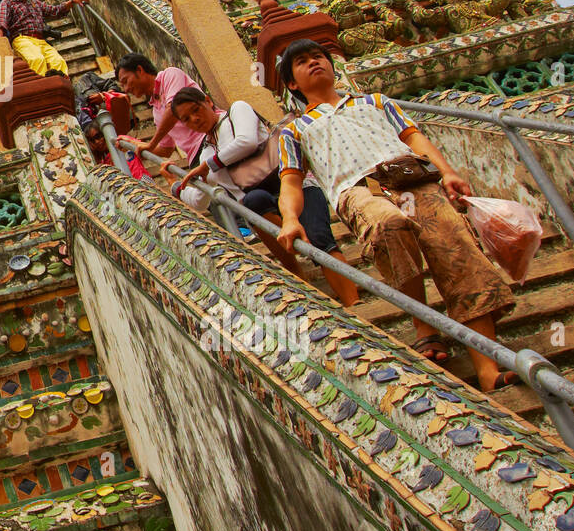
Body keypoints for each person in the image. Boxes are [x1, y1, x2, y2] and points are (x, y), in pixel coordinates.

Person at [273, 39, 517, 390]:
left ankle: (487, 368)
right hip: (356, 188)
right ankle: (424, 325)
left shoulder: (376, 102)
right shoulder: (293, 130)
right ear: (292, 83)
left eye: (318, 57)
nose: (313, 62)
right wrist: (291, 219)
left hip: (411, 176)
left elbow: (414, 138)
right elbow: (292, 182)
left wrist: (446, 171)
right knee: (388, 225)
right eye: (301, 61)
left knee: (458, 251)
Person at [162, 87, 357, 307]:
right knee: (252, 201)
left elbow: (247, 142)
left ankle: (355, 304)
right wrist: (174, 185)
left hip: (293, 183)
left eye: (196, 110)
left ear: (208, 101)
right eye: (186, 119)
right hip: (263, 203)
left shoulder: (237, 111)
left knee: (320, 238)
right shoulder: (207, 151)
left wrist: (207, 166)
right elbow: (199, 200)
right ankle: (296, 271)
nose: (195, 119)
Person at [114, 53, 204, 166]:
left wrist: (151, 144)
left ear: (139, 70)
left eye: (125, 81)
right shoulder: (156, 112)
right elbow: (166, 150)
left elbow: (173, 109)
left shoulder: (170, 75)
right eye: (122, 86)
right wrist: (134, 144)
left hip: (211, 138)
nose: (126, 89)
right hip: (197, 159)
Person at [0, 0, 87, 76]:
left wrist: (72, 2)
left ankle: (64, 89)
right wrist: (1, 41)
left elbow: (55, 10)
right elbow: (2, 23)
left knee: (58, 62)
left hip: (40, 40)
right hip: (22, 39)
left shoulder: (35, 3)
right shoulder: (7, 3)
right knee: (37, 60)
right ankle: (42, 87)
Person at [84, 119, 149, 178]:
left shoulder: (123, 141)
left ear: (103, 132)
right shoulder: (104, 164)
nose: (97, 142)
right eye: (92, 140)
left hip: (145, 183)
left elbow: (147, 151)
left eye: (97, 136)